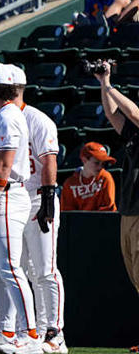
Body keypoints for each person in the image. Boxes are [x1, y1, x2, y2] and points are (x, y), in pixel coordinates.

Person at [0, 64, 40, 354]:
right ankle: (9, 331)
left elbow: (4, 163)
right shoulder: (0, 115)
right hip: (2, 193)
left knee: (10, 268)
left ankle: (32, 334)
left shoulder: (8, 117)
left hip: (6, 194)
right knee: (4, 270)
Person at [10, 66, 67, 353]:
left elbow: (49, 161)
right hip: (16, 198)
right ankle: (31, 330)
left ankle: (56, 333)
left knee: (45, 268)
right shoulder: (0, 118)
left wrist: (47, 198)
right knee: (22, 269)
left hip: (37, 196)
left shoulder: (37, 119)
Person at [98, 61, 139, 351]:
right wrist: (103, 82)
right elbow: (115, 117)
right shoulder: (134, 135)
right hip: (129, 209)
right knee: (135, 275)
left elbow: (134, 113)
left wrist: (112, 87)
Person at [60, 142, 117, 212]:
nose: (100, 167)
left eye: (103, 163)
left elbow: (108, 208)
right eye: (97, 163)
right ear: (84, 160)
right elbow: (67, 212)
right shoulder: (70, 184)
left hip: (101, 221)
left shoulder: (105, 178)